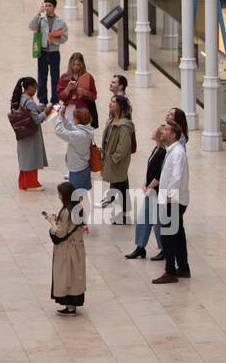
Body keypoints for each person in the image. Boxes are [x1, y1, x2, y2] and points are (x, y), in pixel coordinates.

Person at [151, 123, 191, 284]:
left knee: (167, 235)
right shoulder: (172, 151)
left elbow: (176, 177)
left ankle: (170, 271)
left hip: (173, 200)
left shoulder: (178, 153)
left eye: (166, 129)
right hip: (173, 199)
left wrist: (168, 197)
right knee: (178, 234)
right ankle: (183, 267)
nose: (163, 131)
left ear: (174, 135)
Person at [127, 124, 168, 259]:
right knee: (143, 218)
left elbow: (159, 174)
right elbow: (151, 170)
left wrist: (149, 187)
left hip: (156, 191)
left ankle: (164, 248)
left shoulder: (163, 152)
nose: (152, 131)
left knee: (157, 222)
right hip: (150, 190)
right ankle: (140, 247)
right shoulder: (156, 149)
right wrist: (146, 184)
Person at [45, 181, 86, 315]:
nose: (58, 196)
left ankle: (69, 307)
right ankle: (72, 306)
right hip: (77, 248)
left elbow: (60, 233)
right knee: (75, 277)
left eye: (60, 194)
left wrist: (51, 222)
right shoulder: (78, 208)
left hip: (67, 250)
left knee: (66, 277)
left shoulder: (66, 211)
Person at [99, 94, 135, 224]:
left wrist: (114, 158)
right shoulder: (111, 120)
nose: (110, 104)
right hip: (110, 158)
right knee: (119, 184)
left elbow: (124, 146)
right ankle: (122, 213)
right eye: (111, 101)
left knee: (121, 186)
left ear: (120, 106)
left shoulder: (124, 125)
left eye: (113, 102)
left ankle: (124, 215)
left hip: (117, 161)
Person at [10, 77, 48, 190]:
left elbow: (30, 112)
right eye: (34, 87)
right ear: (29, 87)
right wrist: (45, 113)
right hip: (31, 135)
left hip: (22, 133)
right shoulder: (29, 101)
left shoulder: (19, 98)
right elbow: (36, 119)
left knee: (24, 159)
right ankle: (31, 184)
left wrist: (39, 108)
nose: (35, 90)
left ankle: (23, 182)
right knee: (31, 158)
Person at [28, 0, 68, 105]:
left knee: (55, 77)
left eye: (49, 6)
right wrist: (38, 13)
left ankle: (55, 100)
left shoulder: (60, 22)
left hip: (54, 53)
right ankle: (42, 100)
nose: (47, 8)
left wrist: (54, 41)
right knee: (42, 77)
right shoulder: (40, 19)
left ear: (54, 7)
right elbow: (31, 26)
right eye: (45, 5)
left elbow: (65, 37)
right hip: (42, 53)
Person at [53, 101, 94, 193]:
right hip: (82, 167)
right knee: (78, 195)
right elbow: (71, 127)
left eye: (74, 118)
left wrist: (59, 116)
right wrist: (63, 116)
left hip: (77, 170)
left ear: (79, 120)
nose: (73, 119)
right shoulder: (85, 130)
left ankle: (76, 207)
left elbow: (59, 132)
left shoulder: (80, 135)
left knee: (74, 197)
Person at [57, 52, 98, 127]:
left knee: (84, 134)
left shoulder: (88, 77)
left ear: (82, 65)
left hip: (84, 109)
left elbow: (94, 96)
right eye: (73, 65)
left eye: (78, 65)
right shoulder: (64, 77)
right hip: (70, 109)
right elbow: (60, 97)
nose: (76, 67)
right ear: (70, 64)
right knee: (70, 134)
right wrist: (67, 89)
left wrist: (85, 92)